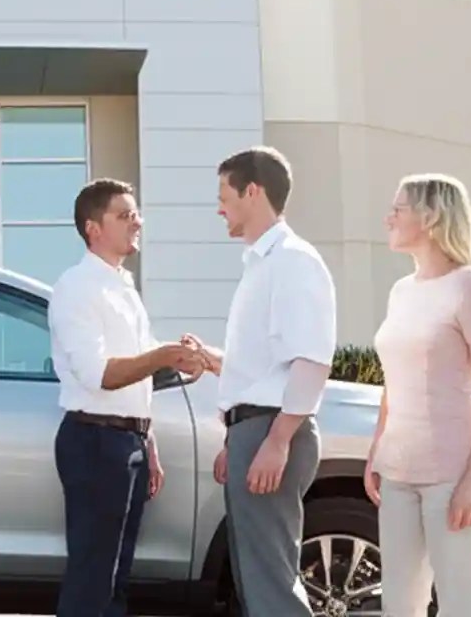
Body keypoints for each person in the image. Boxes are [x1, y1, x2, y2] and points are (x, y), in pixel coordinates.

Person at [184, 147, 338, 617]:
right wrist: (217, 366)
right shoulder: (263, 263)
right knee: (258, 578)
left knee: (270, 582)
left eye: (224, 195)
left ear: (253, 192)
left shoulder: (293, 261)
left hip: (272, 430)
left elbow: (312, 360)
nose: (219, 207)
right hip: (255, 430)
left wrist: (277, 440)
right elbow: (268, 367)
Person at [47, 178, 203, 617]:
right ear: (93, 228)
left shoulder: (122, 286)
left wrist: (146, 439)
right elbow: (98, 373)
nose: (137, 221)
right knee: (93, 580)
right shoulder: (78, 287)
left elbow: (137, 374)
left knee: (115, 580)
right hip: (94, 442)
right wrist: (162, 355)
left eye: (136, 213)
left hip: (125, 443)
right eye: (124, 214)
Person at [365, 173, 471, 617]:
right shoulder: (401, 291)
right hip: (398, 471)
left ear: (430, 217)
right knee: (399, 606)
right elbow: (395, 378)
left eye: (398, 207)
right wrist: (376, 449)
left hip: (455, 471)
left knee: (458, 606)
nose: (388, 216)